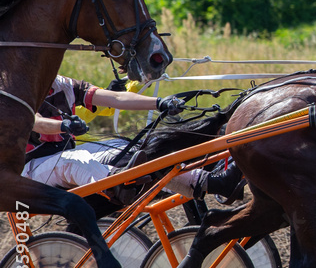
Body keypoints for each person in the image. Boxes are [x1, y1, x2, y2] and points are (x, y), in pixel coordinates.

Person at [23, 75, 241, 203]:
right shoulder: (19, 89)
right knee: (75, 160)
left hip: (63, 156)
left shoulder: (65, 83)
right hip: (31, 171)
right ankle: (117, 184)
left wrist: (160, 102)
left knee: (131, 149)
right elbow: (34, 121)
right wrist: (64, 125)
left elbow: (117, 98)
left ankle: (209, 182)